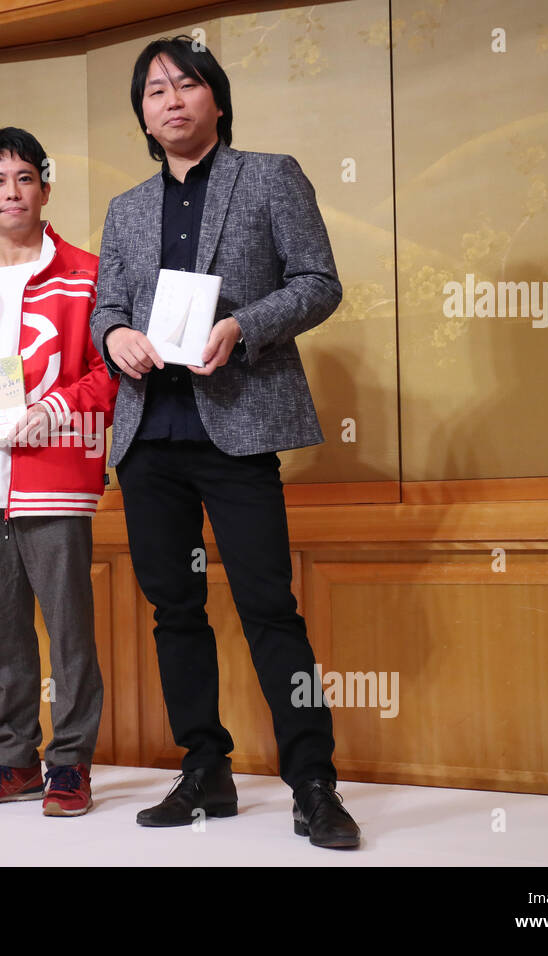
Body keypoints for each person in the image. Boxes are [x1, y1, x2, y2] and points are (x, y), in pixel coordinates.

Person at [90, 37, 361, 847]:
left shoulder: (269, 174)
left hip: (239, 428)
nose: (170, 99)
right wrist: (115, 341)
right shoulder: (126, 208)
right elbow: (105, 306)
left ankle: (314, 781)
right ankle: (205, 770)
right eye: (153, 91)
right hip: (148, 436)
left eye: (185, 84)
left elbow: (318, 281)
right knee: (174, 612)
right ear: (142, 113)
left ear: (215, 97)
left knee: (270, 608)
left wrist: (244, 326)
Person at [0, 128, 116, 816]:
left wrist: (59, 405)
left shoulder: (88, 275)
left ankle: (70, 762)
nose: (13, 192)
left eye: (25, 178)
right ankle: (12, 760)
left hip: (55, 477)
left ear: (44, 188)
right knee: (1, 629)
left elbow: (110, 373)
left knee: (68, 631)